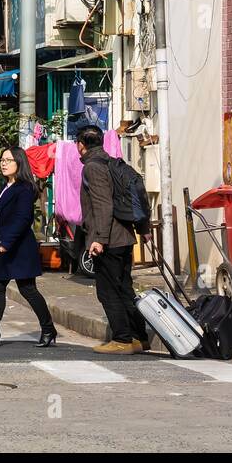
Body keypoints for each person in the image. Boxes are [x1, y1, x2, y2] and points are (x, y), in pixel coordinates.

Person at [78, 125, 150, 354]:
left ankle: (122, 340)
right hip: (124, 237)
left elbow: (103, 204)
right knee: (125, 289)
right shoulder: (111, 162)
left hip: (110, 240)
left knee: (108, 291)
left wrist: (98, 239)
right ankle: (140, 338)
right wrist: (143, 227)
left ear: (81, 145)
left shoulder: (92, 167)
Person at [0, 147, 56, 348]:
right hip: (5, 244)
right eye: (2, 159)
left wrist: (6, 243)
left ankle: (48, 329)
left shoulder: (25, 188)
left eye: (8, 160)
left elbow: (22, 218)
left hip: (18, 246)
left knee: (28, 289)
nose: (3, 163)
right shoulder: (6, 186)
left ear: (19, 163)